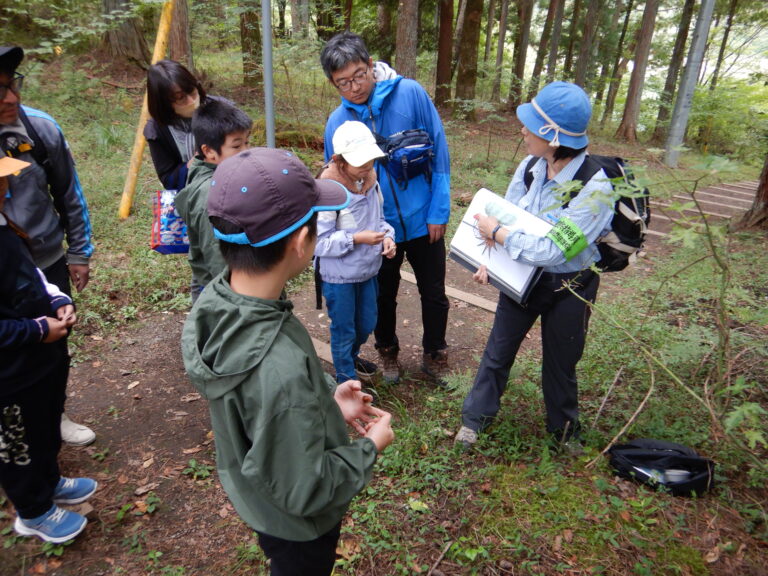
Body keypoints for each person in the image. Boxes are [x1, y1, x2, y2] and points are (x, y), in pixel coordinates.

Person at [181, 147, 394, 575]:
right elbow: (307, 490)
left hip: (261, 496)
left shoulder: (225, 304)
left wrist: (323, 404)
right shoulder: (277, 367)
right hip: (300, 527)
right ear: (301, 243)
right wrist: (370, 447)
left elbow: (262, 415)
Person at [454, 81, 616, 453]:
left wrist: (497, 233)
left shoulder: (596, 189)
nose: (523, 130)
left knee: (562, 360)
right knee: (498, 350)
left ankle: (564, 433)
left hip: (572, 284)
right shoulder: (531, 165)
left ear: (554, 137)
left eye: (532, 126)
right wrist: (489, 258)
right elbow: (505, 213)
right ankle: (474, 421)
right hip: (522, 277)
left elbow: (553, 250)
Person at [320, 32, 451, 386]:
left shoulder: (410, 93)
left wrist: (438, 210)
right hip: (376, 227)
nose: (354, 87)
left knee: (434, 292)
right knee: (382, 296)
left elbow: (439, 150)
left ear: (370, 64)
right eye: (342, 82)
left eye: (359, 75)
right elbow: (334, 183)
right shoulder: (337, 122)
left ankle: (434, 353)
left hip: (424, 218)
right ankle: (388, 353)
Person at [0, 46, 95, 446]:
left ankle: (53, 417)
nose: (11, 98)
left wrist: (78, 253)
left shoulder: (40, 130)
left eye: (12, 85)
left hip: (44, 263)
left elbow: (68, 193)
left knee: (54, 346)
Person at [0, 156, 98, 544]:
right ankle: (33, 511)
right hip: (8, 372)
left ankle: (50, 480)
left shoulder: (5, 226)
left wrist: (56, 299)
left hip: (38, 362)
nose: (6, 187)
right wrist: (38, 329)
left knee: (44, 420)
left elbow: (33, 275)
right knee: (18, 440)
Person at [315, 120, 396, 382]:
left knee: (365, 325)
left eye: (370, 161)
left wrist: (388, 238)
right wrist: (357, 238)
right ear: (339, 160)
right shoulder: (328, 191)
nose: (367, 167)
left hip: (368, 271)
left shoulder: (371, 181)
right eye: (360, 162)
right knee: (344, 329)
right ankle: (347, 381)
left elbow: (381, 221)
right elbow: (319, 242)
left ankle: (350, 357)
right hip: (339, 277)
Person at [175, 99, 252, 303]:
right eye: (236, 146)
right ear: (209, 152)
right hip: (225, 295)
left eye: (247, 142)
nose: (246, 151)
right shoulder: (212, 195)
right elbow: (217, 257)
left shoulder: (224, 177)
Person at [144, 60, 210, 190]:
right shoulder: (157, 130)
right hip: (190, 193)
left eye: (192, 91)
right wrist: (196, 161)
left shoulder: (218, 108)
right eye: (180, 98)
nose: (191, 101)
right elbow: (168, 180)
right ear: (164, 103)